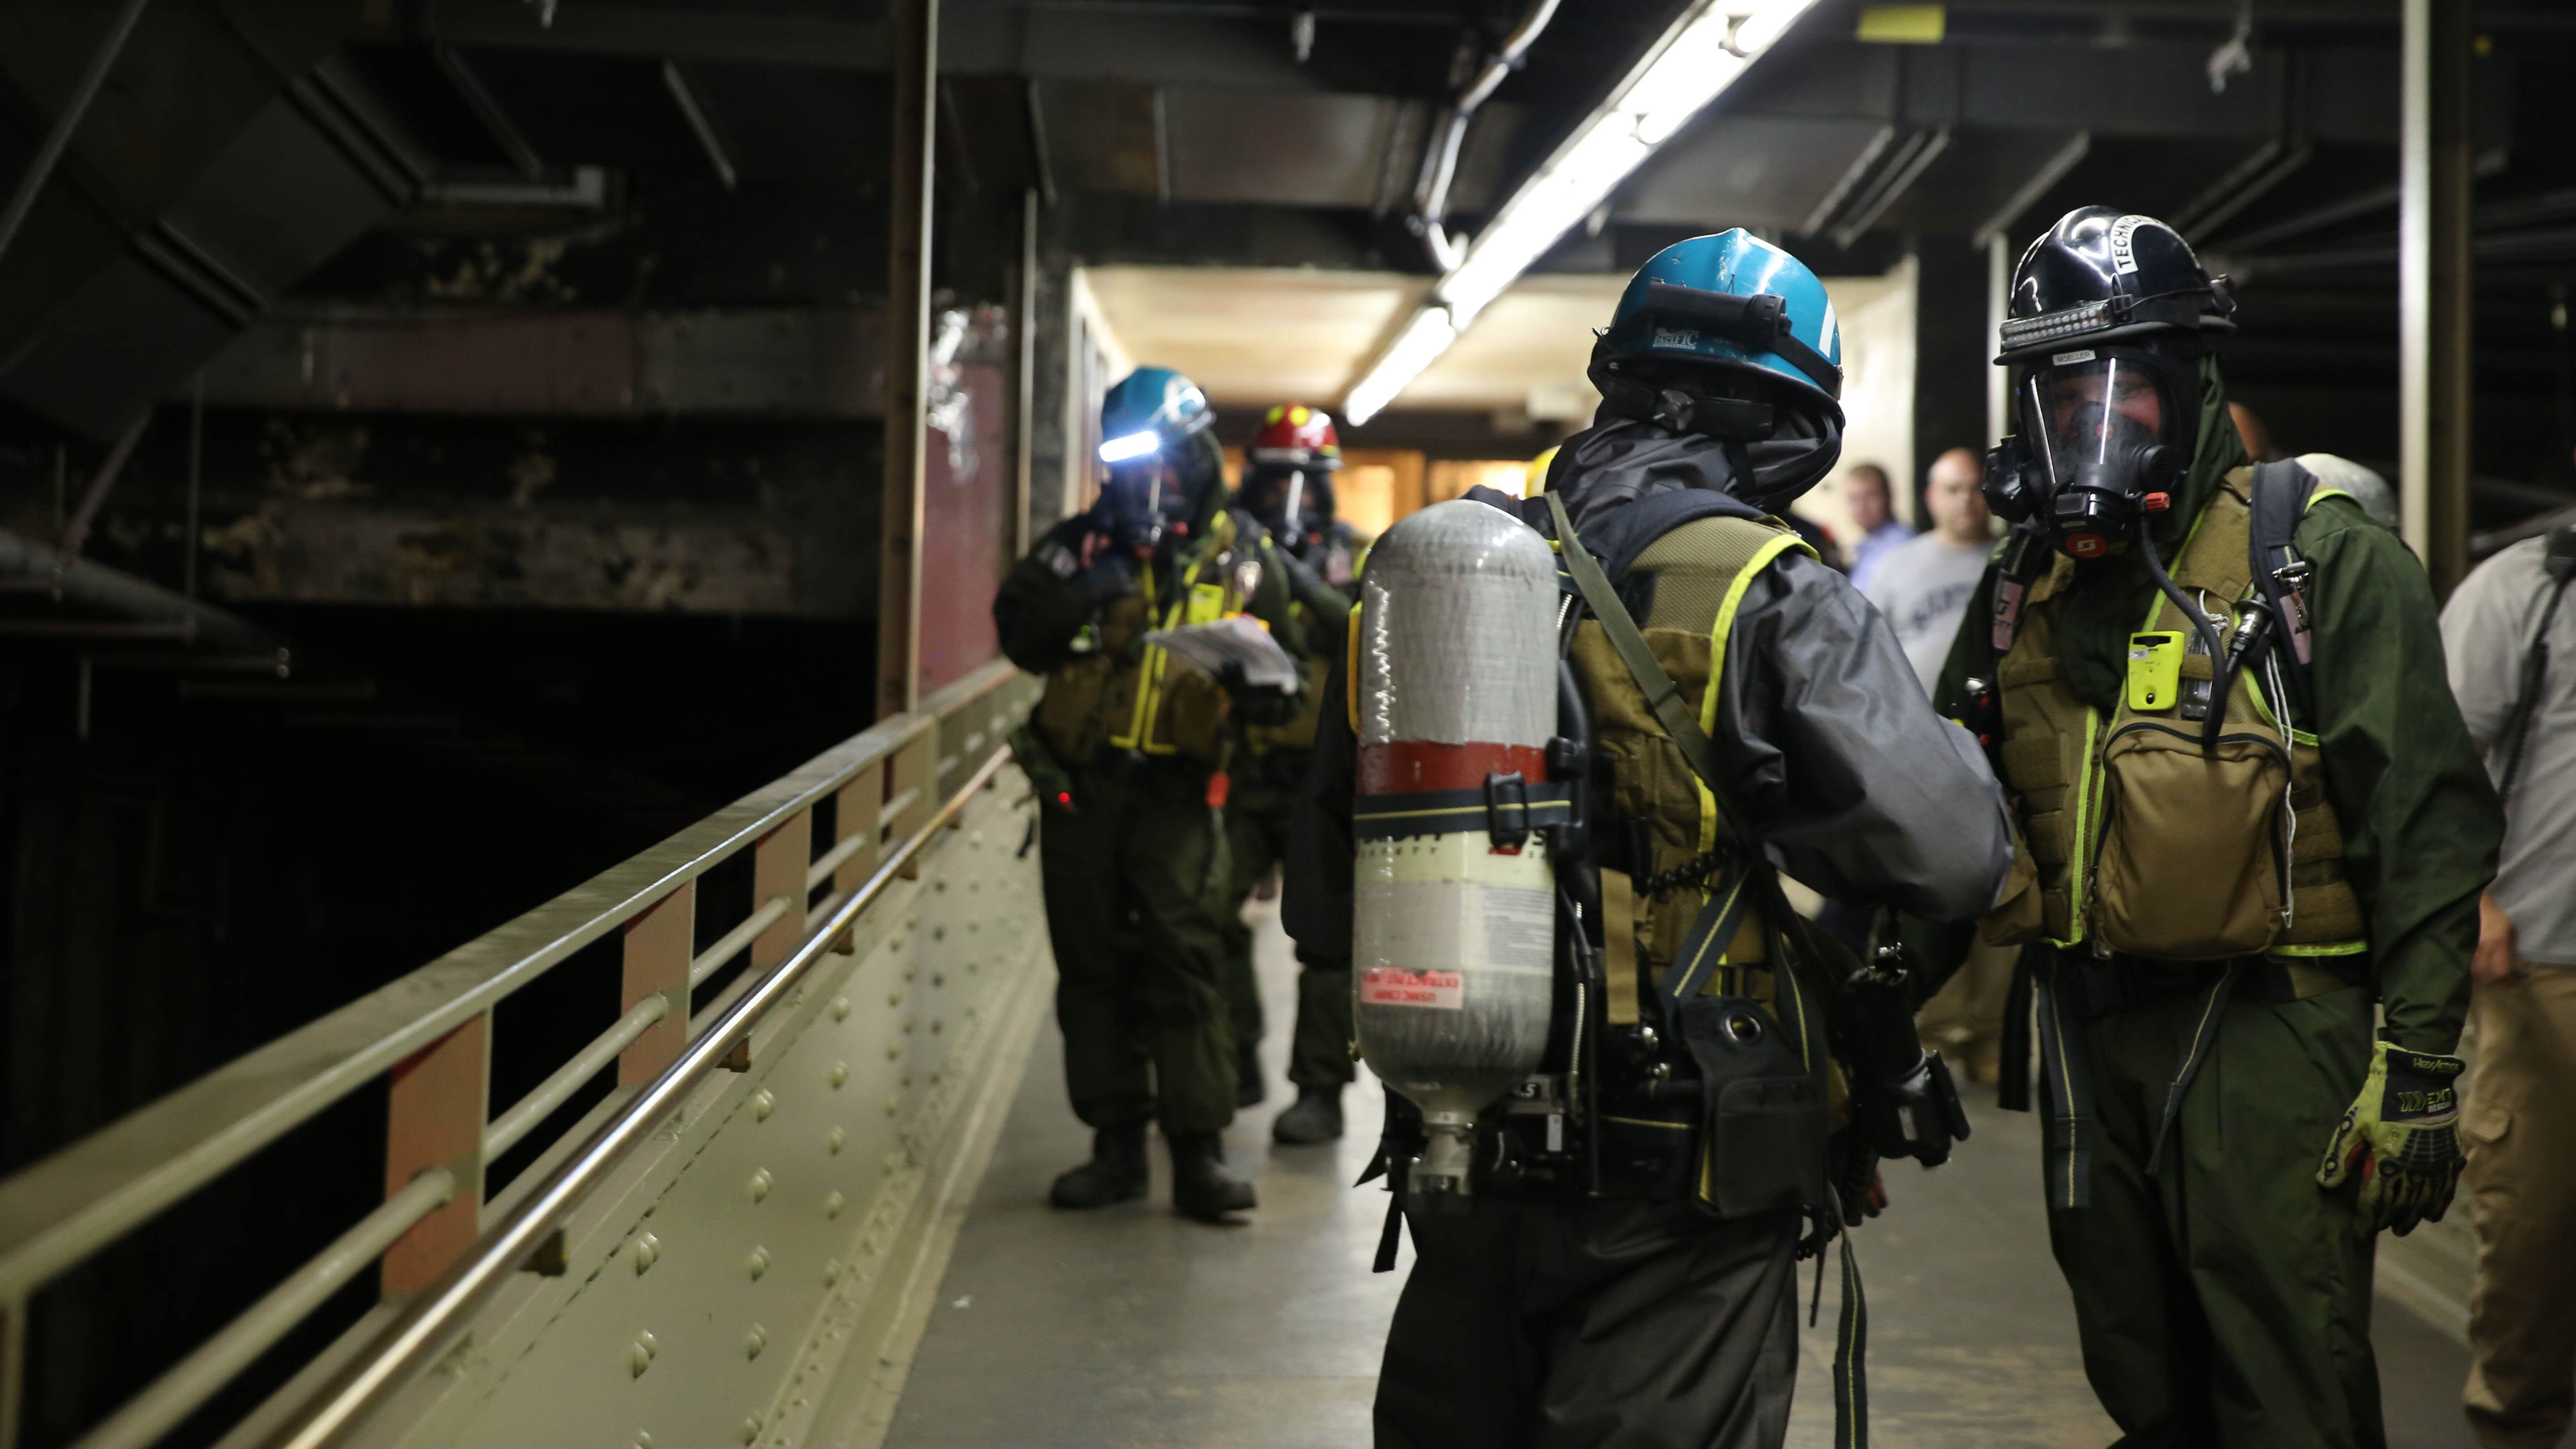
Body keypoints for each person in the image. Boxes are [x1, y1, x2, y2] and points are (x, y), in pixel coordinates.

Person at [1285, 230, 2013, 1447]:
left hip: (1461, 1124)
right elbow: (1949, 855)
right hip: (1679, 1156)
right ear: (1793, 418)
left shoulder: (1434, 577)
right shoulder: (1767, 588)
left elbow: (1322, 902)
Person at [1930, 205, 2502, 1447]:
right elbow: (1947, 817)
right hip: (2088, 1027)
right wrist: (1868, 1035)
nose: (2091, 420)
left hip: (2277, 1028)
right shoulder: (2021, 586)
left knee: (2283, 1366)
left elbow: (2428, 827)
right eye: (2058, 387)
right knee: (2139, 1367)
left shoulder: (2320, 560)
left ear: (2190, 387)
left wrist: (2417, 1066)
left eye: (2125, 386)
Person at [993, 365, 1306, 1223]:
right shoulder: (1081, 545)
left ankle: (1198, 1157)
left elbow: (1295, 658)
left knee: (1185, 964)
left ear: (1197, 455)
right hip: (1082, 796)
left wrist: (1273, 694)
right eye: (1130, 460)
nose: (1148, 477)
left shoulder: (1242, 553)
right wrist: (1091, 592)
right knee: (1093, 969)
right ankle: (1116, 1148)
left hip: (1181, 796)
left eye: (1164, 458)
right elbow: (1016, 631)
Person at [2441, 523, 2576, 1449]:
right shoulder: (2525, 592)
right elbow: (2436, 769)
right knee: (2532, 1233)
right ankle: (2515, 1427)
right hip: (2545, 973)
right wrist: (2473, 899)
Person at [1219, 402, 1366, 1143]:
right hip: (1244, 767)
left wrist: (1303, 582)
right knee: (1209, 914)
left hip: (1323, 777)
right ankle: (1234, 1054)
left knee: (1330, 940)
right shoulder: (1230, 550)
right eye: (1275, 480)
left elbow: (1361, 625)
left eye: (1305, 480)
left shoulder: (1354, 552)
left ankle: (1321, 1091)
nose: (1288, 496)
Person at [1862, 447, 1994, 691]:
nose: (1965, 499)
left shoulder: (2009, 560)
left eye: (1975, 488)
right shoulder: (1895, 565)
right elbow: (1869, 649)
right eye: (1953, 490)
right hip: (1915, 720)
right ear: (1931, 496)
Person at [1840, 462, 1911, 590]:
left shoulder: (1904, 546)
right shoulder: (1865, 546)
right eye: (1854, 498)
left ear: (1889, 496)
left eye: (1870, 496)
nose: (1862, 507)